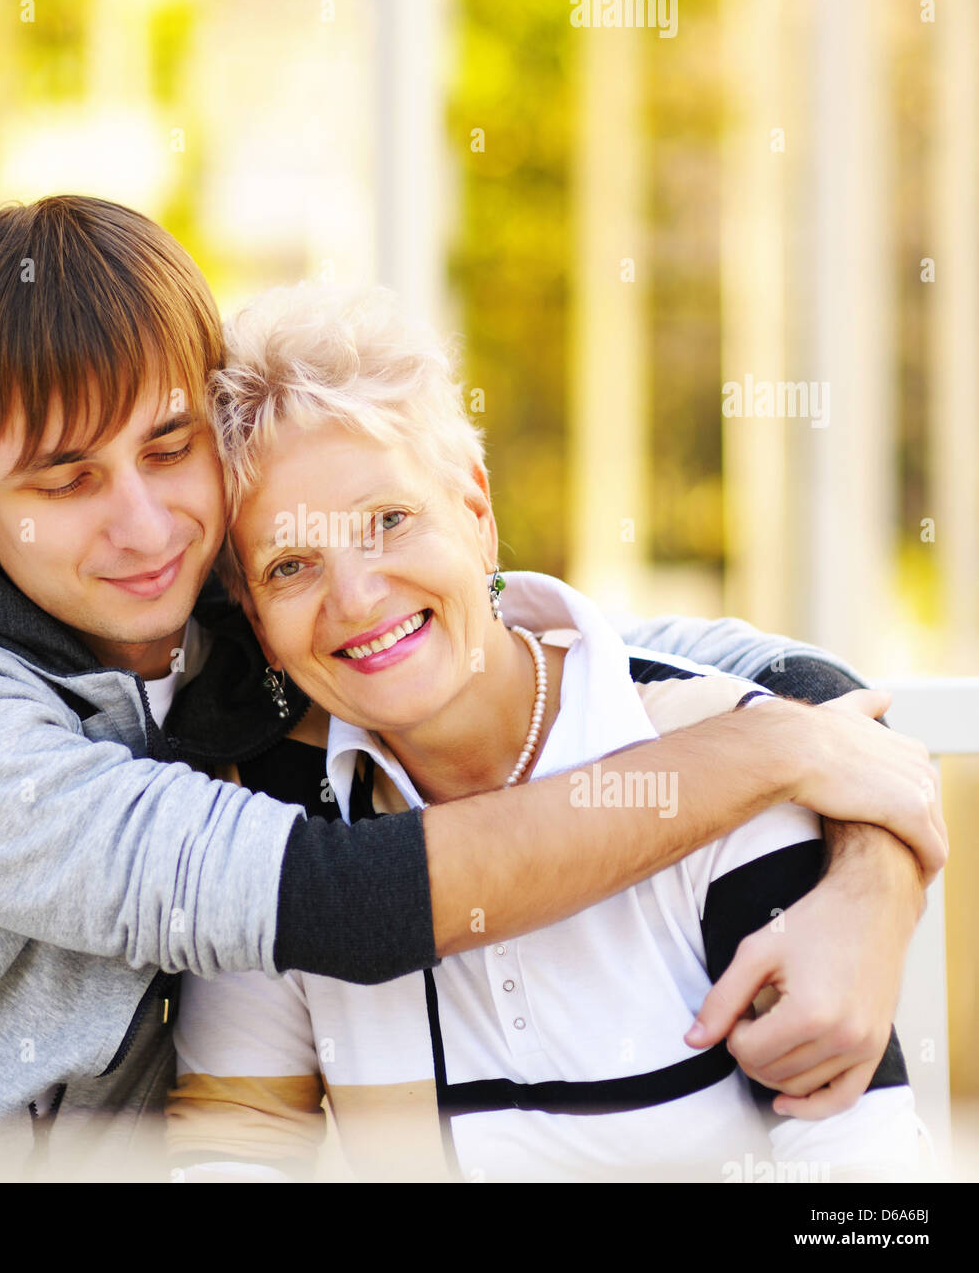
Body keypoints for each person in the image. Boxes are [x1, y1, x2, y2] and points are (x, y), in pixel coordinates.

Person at [0, 198, 942, 1183]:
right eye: (66, 478)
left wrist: (869, 886)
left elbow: (704, 665)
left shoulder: (239, 613)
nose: (142, 525)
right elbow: (336, 902)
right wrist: (765, 758)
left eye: (170, 447)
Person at [166, 284, 931, 1182]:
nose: (358, 598)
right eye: (291, 566)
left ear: (477, 517)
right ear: (256, 619)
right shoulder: (278, 814)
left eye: (390, 521)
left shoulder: (726, 758)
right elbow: (237, 1146)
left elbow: (868, 1187)